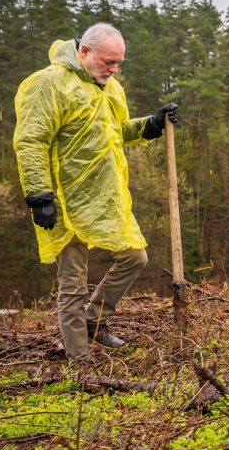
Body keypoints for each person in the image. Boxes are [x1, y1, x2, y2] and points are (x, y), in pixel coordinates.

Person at [13, 22, 178, 366]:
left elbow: (116, 132)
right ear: (84, 52)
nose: (114, 70)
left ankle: (94, 321)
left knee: (136, 257)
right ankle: (80, 362)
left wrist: (151, 124)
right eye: (109, 62)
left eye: (119, 63)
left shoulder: (110, 87)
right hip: (63, 198)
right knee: (72, 282)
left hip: (103, 197)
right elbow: (31, 141)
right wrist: (39, 195)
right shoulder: (49, 83)